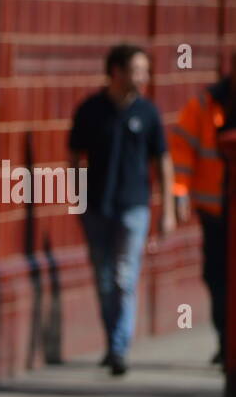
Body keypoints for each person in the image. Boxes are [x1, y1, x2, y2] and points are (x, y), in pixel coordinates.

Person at [69, 44, 179, 376]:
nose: (143, 77)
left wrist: (168, 209)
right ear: (116, 72)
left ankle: (119, 349)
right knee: (104, 278)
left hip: (134, 207)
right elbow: (74, 156)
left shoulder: (148, 112)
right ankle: (112, 341)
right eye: (137, 70)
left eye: (145, 70)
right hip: (97, 206)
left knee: (124, 276)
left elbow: (163, 160)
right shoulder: (90, 110)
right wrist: (76, 197)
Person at [170, 52, 234, 366]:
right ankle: (226, 339)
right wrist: (179, 192)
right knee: (217, 276)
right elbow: (181, 149)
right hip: (215, 210)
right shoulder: (206, 104)